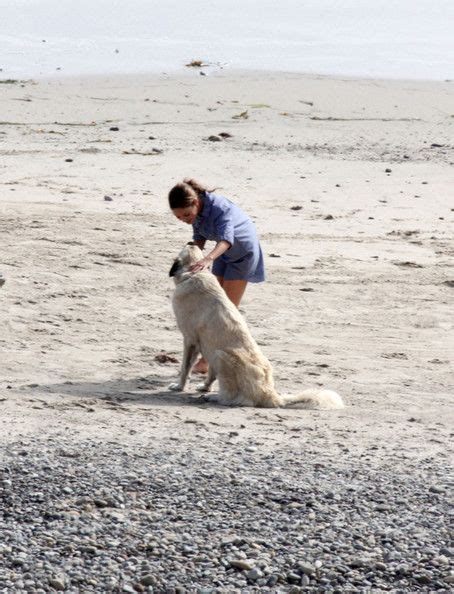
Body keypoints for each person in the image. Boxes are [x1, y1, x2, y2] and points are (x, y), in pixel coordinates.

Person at [168, 178, 265, 373]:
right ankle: (208, 357)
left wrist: (207, 259)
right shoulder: (197, 212)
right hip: (221, 254)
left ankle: (211, 360)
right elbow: (199, 240)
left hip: (241, 253)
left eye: (186, 215)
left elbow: (226, 240)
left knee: (225, 310)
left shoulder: (220, 208)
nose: (185, 220)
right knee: (211, 306)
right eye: (180, 218)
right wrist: (189, 259)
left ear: (195, 202)